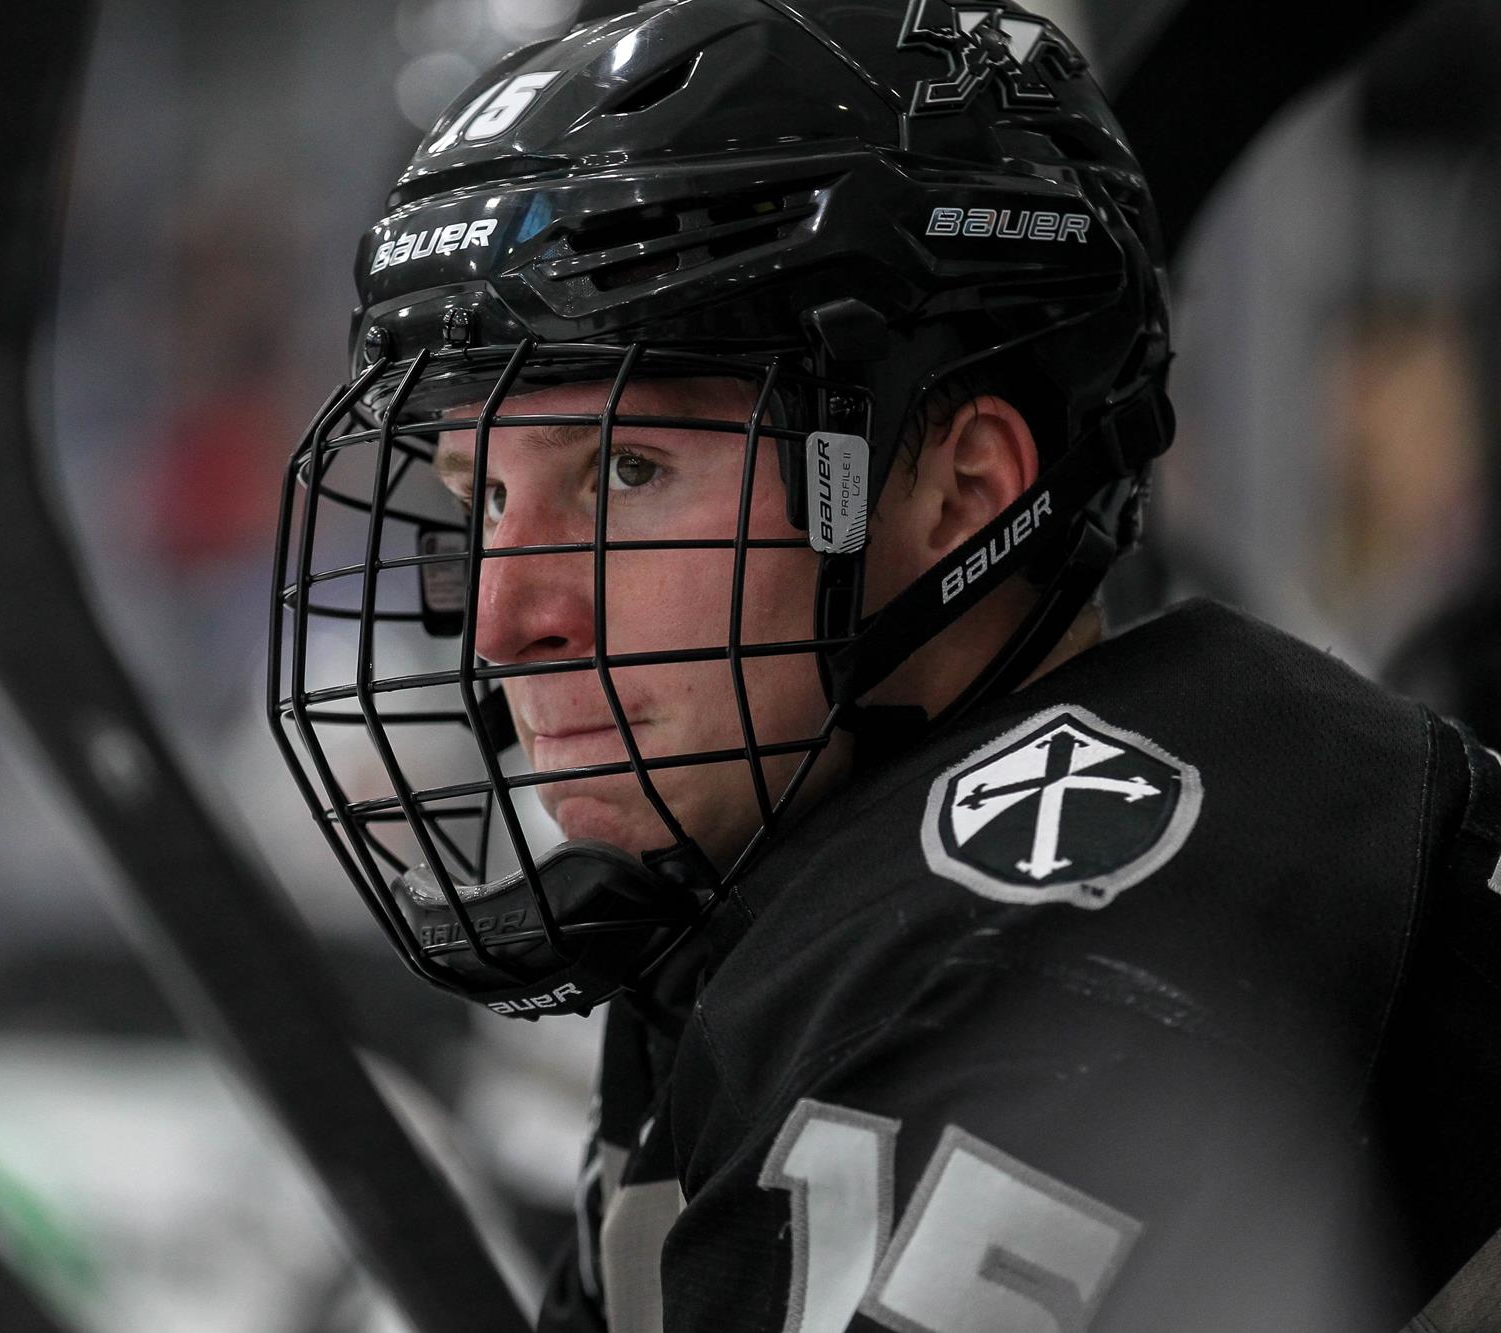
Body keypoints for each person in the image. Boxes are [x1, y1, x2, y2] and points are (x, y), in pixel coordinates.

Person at [267, 1, 1501, 1329]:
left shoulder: (1054, 950)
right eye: (485, 501)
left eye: (626, 472)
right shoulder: (785, 891)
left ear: (963, 491)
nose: (506, 622)